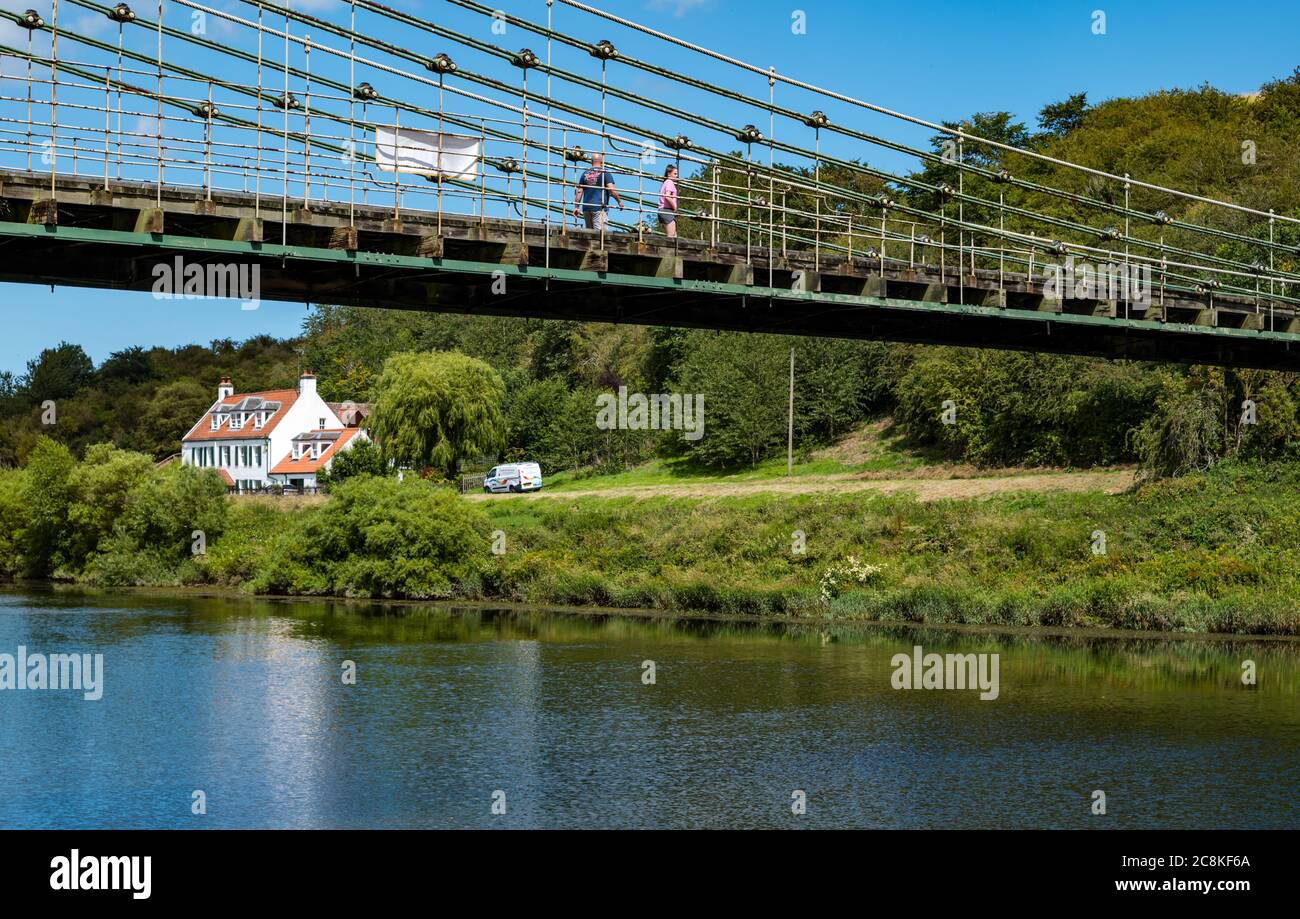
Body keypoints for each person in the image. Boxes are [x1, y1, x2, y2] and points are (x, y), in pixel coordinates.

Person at [574, 153, 622, 230]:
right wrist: (619, 201)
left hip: (586, 208)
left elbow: (579, 192)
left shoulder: (584, 174)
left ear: (591, 161)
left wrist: (576, 207)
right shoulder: (605, 173)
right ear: (601, 161)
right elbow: (612, 190)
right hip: (599, 208)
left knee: (590, 235)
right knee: (600, 235)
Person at [658, 165, 679, 238]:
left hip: (663, 211)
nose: (677, 176)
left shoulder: (665, 183)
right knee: (671, 236)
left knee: (674, 235)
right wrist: (674, 206)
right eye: (675, 174)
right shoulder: (670, 182)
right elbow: (667, 196)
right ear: (669, 174)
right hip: (667, 210)